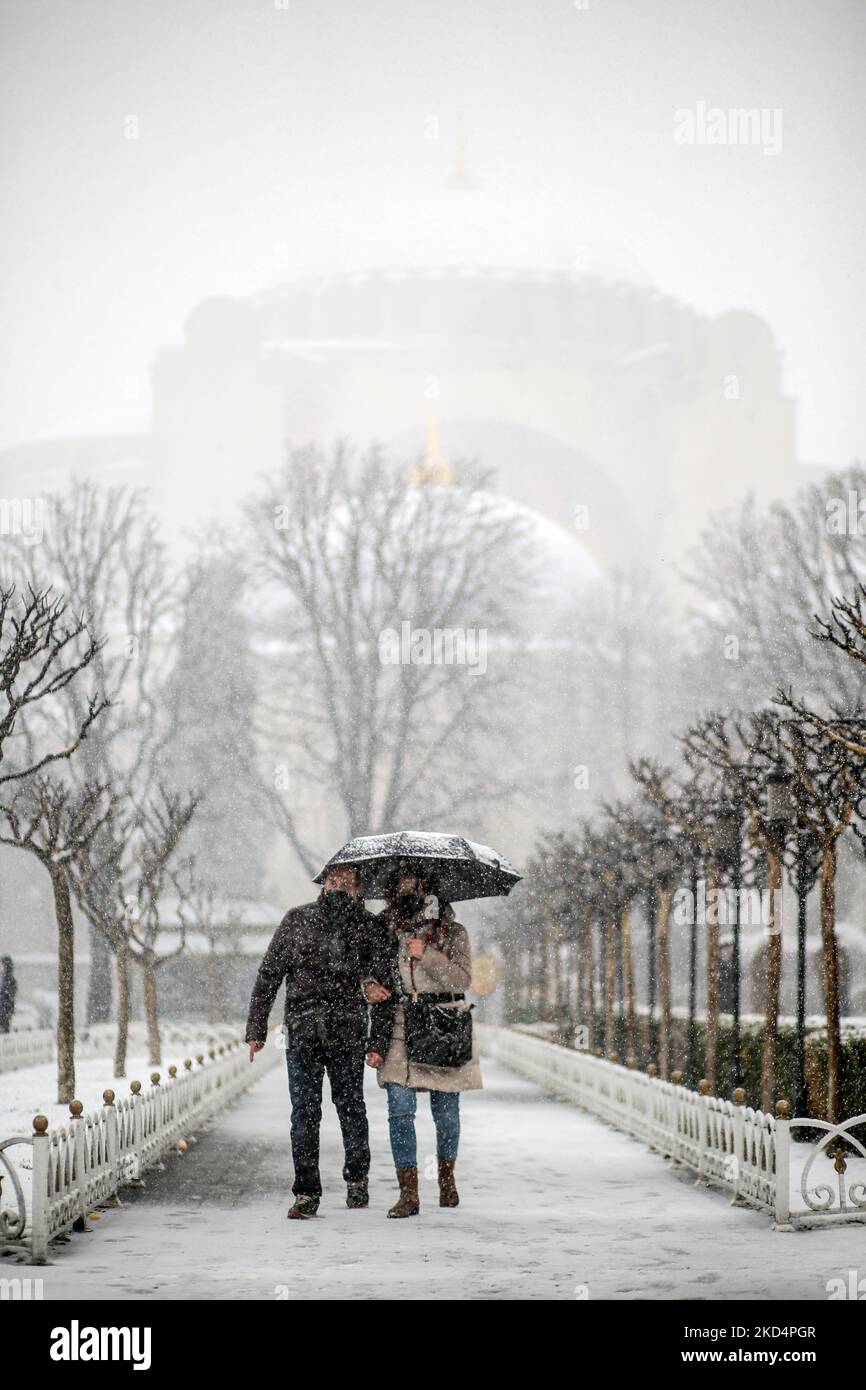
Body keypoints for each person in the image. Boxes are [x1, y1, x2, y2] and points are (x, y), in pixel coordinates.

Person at [245, 865, 392, 1219]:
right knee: (304, 1114)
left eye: (347, 882)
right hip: (303, 1032)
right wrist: (256, 1028)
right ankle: (306, 1192)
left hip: (348, 1032)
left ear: (358, 889)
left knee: (351, 1108)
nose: (339, 886)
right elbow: (269, 974)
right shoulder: (297, 920)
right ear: (323, 883)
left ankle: (357, 1178)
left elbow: (384, 987)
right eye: (333, 880)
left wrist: (378, 1041)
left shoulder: (368, 927)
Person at [366, 870, 481, 1218]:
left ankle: (446, 1180)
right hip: (400, 1022)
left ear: (429, 888)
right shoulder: (384, 929)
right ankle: (408, 1193)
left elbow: (462, 978)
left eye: (414, 883)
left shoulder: (453, 932)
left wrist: (429, 954)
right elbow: (371, 969)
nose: (407, 890)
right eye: (400, 883)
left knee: (445, 1113)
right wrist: (369, 985)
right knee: (400, 1110)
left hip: (443, 1022)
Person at [0, 956, 17, 1033]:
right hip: (5, 1012)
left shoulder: (10, 979)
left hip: (4, 1013)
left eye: (2, 964)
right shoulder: (4, 978)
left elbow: (10, 997)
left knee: (5, 1034)